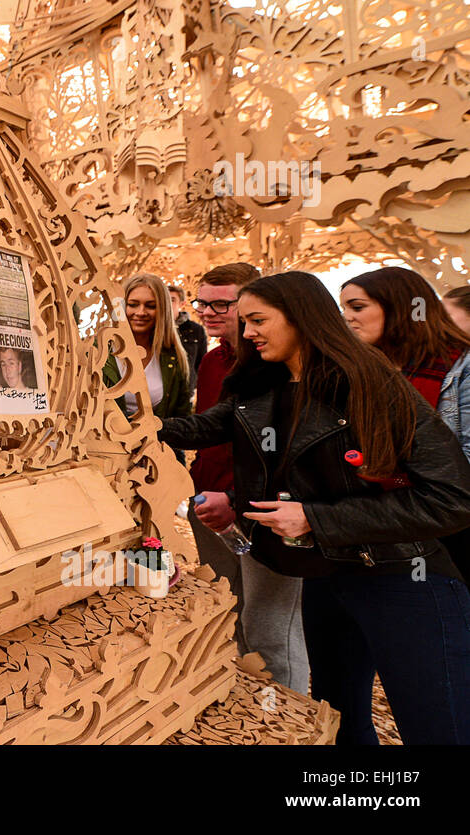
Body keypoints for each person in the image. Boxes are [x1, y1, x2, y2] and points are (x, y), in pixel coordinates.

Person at [159, 271, 470, 745]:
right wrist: (115, 417)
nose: (247, 333)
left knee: (435, 726)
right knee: (340, 718)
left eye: (258, 320)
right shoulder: (264, 385)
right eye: (244, 322)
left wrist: (315, 519)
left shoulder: (371, 383)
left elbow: (453, 498)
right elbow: (200, 429)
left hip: (404, 578)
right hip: (327, 577)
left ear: (302, 318)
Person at [182, 263, 308, 691]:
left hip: (262, 507)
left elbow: (288, 456)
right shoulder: (214, 361)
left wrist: (236, 499)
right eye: (203, 302)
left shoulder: (283, 367)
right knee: (224, 608)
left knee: (270, 625)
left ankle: (284, 716)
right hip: (209, 501)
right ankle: (243, 702)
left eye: (224, 303)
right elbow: (209, 424)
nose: (210, 311)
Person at [341, 266, 470, 578]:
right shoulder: (368, 370)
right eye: (343, 308)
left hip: (452, 522)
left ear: (399, 308)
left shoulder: (459, 368)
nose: (347, 317)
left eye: (357, 307)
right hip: (391, 523)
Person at [102, 273, 191, 420]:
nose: (141, 312)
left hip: (156, 441)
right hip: (103, 440)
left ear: (162, 310)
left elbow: (182, 415)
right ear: (122, 306)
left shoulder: (174, 356)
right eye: (133, 304)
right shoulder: (100, 350)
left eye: (150, 306)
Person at [170, 284, 206, 393]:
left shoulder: (196, 330)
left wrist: (193, 384)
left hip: (185, 394)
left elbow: (201, 364)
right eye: (164, 299)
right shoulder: (152, 327)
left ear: (182, 304)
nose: (167, 303)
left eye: (172, 300)